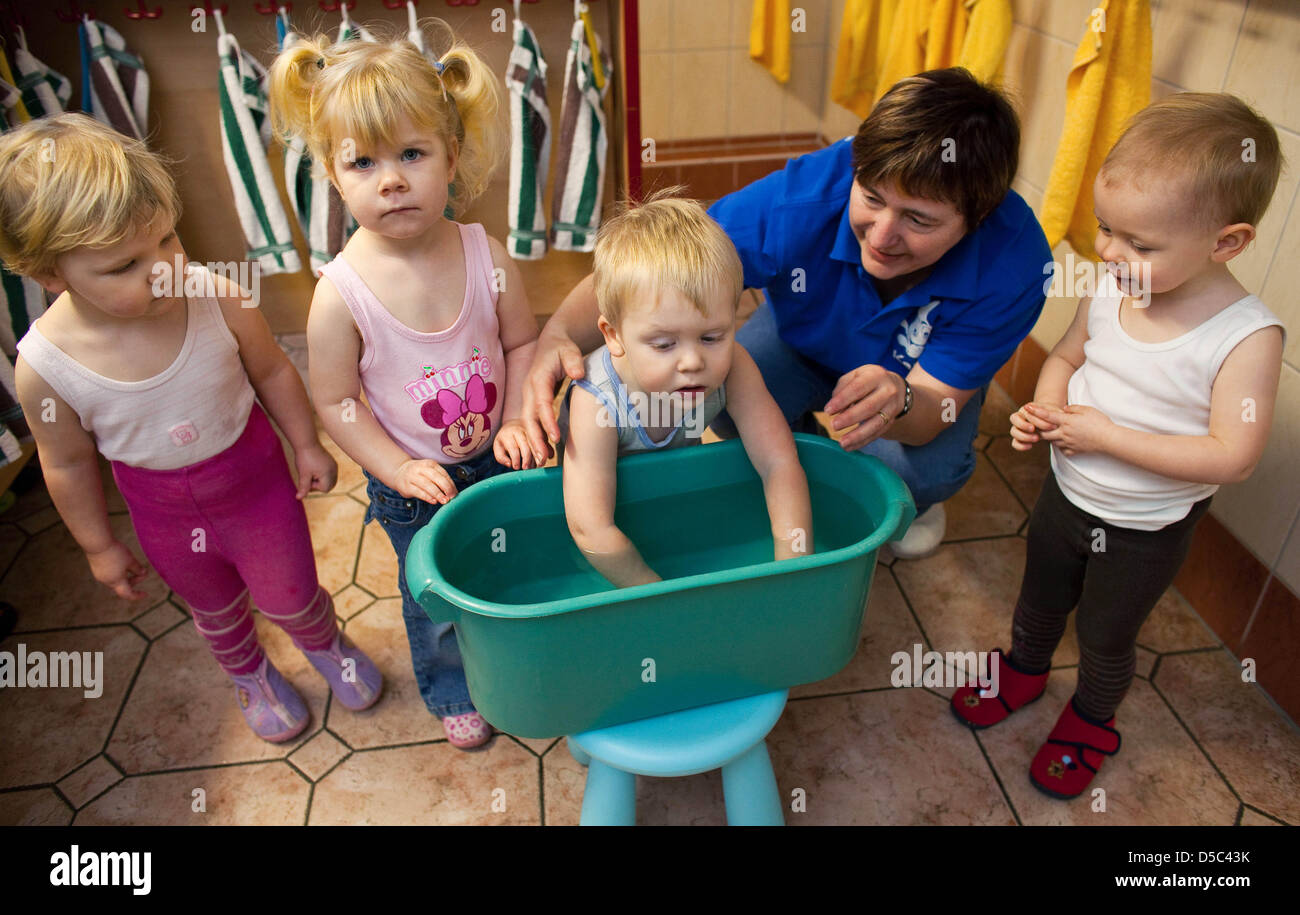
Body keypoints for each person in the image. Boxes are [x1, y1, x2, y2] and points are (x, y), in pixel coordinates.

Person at [523, 68, 1051, 558]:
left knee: (918, 468)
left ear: (977, 217)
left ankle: (908, 497)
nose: (883, 235)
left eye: (918, 219)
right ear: (855, 169)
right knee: (728, 401)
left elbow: (935, 408)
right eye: (870, 198)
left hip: (914, 383)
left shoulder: (1015, 266)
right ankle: (802, 441)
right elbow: (650, 272)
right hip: (800, 339)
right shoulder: (796, 203)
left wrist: (905, 398)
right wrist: (556, 336)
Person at [4, 113, 382, 744]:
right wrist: (99, 546)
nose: (162, 269)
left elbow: (273, 371)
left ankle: (324, 643)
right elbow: (64, 463)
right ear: (50, 274)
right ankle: (251, 675)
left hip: (256, 484)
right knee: (214, 608)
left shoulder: (214, 294)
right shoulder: (43, 367)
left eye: (168, 240)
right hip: (164, 515)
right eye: (125, 265)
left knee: (291, 590)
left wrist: (306, 442)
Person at [953, 93, 1286, 799]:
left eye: (1140, 243)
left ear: (1226, 243)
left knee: (1105, 634)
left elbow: (1234, 455)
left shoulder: (1245, 336)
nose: (1109, 251)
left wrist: (1106, 436)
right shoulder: (1113, 284)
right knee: (1040, 596)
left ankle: (1093, 718)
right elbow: (1070, 355)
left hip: (1144, 528)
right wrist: (1047, 405)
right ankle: (1023, 668)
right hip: (1067, 494)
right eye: (1107, 228)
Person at [268, 22, 540, 749]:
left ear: (451, 156)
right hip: (412, 479)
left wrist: (515, 416)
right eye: (363, 163)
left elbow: (520, 339)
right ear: (333, 174)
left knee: (515, 555)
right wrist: (395, 466)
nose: (390, 179)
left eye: (412, 154)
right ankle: (453, 684)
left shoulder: (487, 254)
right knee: (435, 597)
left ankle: (523, 645)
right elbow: (336, 401)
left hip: (498, 456)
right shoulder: (341, 295)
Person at [559, 191, 813, 588]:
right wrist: (660, 595)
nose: (693, 362)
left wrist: (793, 566)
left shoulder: (734, 367)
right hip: (600, 505)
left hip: (670, 491)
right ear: (613, 335)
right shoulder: (597, 402)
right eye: (664, 345)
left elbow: (778, 462)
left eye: (712, 336)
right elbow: (591, 529)